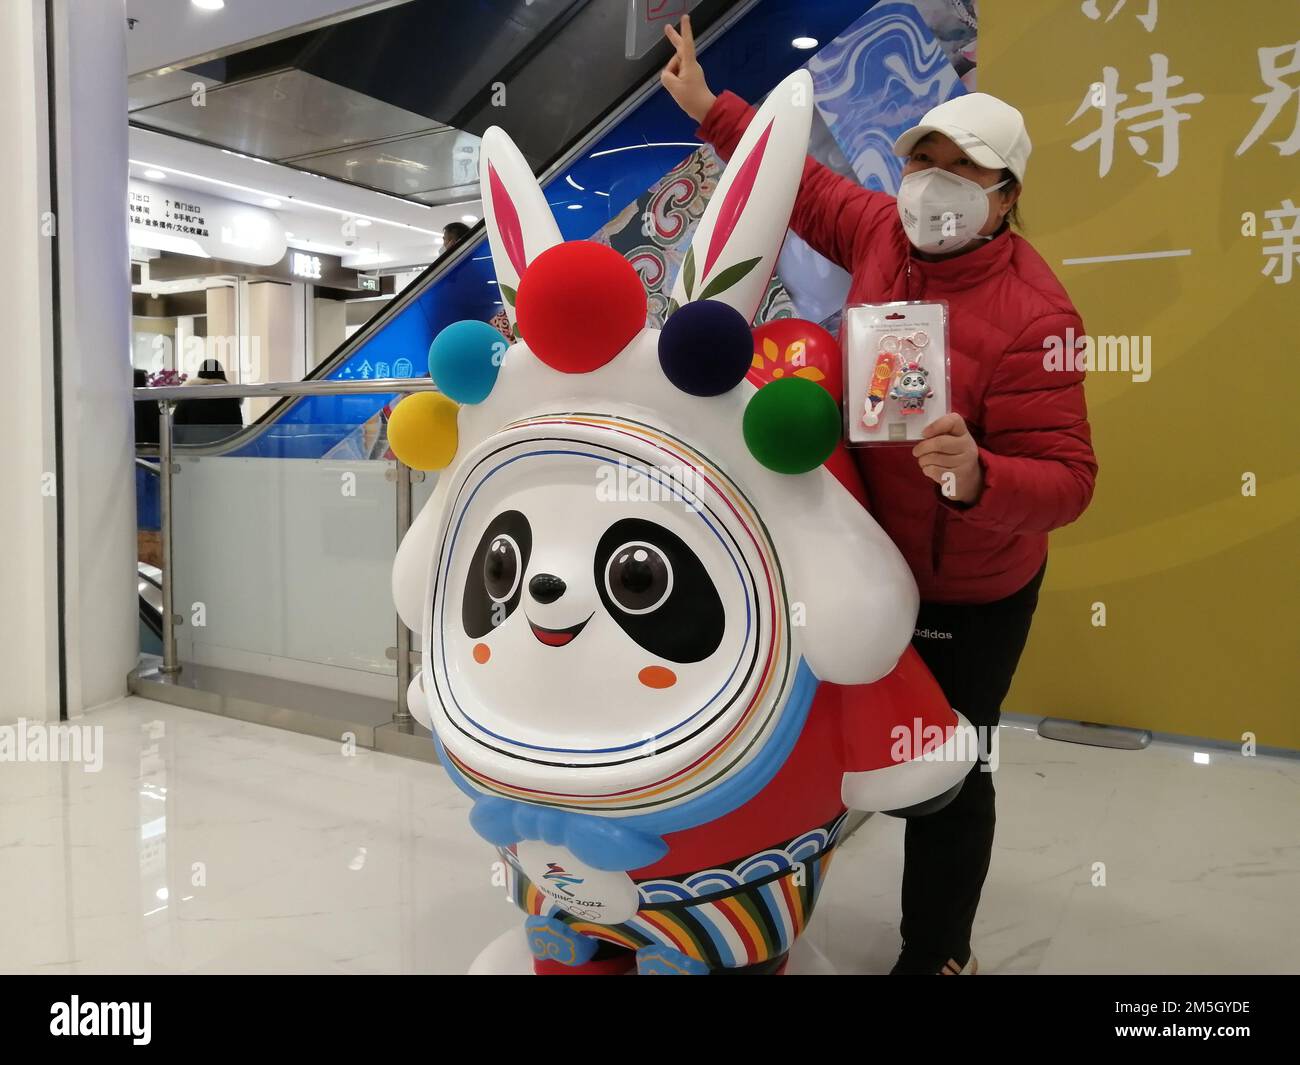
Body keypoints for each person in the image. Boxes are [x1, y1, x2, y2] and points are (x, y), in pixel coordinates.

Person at [661, 16, 1097, 975]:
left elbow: (1070, 481)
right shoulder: (878, 233)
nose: (932, 181)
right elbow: (807, 187)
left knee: (950, 768)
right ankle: (766, 908)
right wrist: (711, 112)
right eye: (923, 158)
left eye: (961, 167)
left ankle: (939, 950)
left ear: (1007, 193)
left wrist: (982, 474)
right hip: (863, 555)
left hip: (970, 584)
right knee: (841, 741)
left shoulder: (1037, 313)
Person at [173, 358, 244, 444]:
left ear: (200, 373)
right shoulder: (231, 398)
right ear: (222, 374)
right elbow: (237, 429)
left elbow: (177, 427)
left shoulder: (189, 395)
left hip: (193, 449)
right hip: (225, 449)